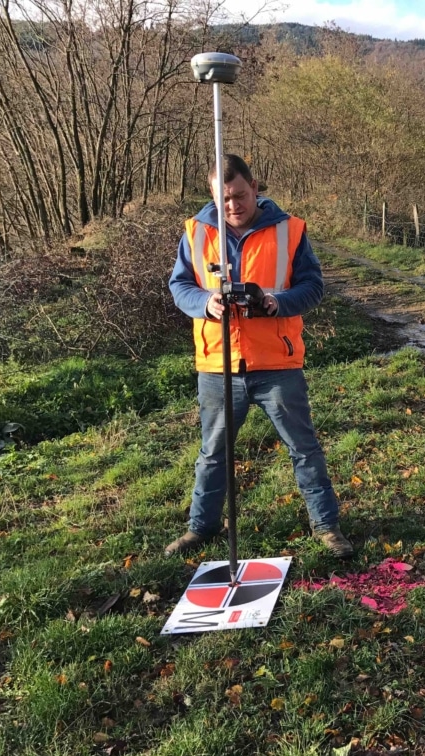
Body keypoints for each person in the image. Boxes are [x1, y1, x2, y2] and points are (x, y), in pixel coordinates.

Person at [166, 154, 353, 559]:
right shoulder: (197, 233)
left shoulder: (290, 230)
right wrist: (204, 302)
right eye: (223, 199)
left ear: (255, 187)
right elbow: (179, 285)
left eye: (239, 195)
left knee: (304, 448)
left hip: (277, 364)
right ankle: (201, 528)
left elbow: (312, 286)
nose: (232, 206)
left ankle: (327, 527)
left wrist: (277, 301)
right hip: (219, 364)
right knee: (212, 453)